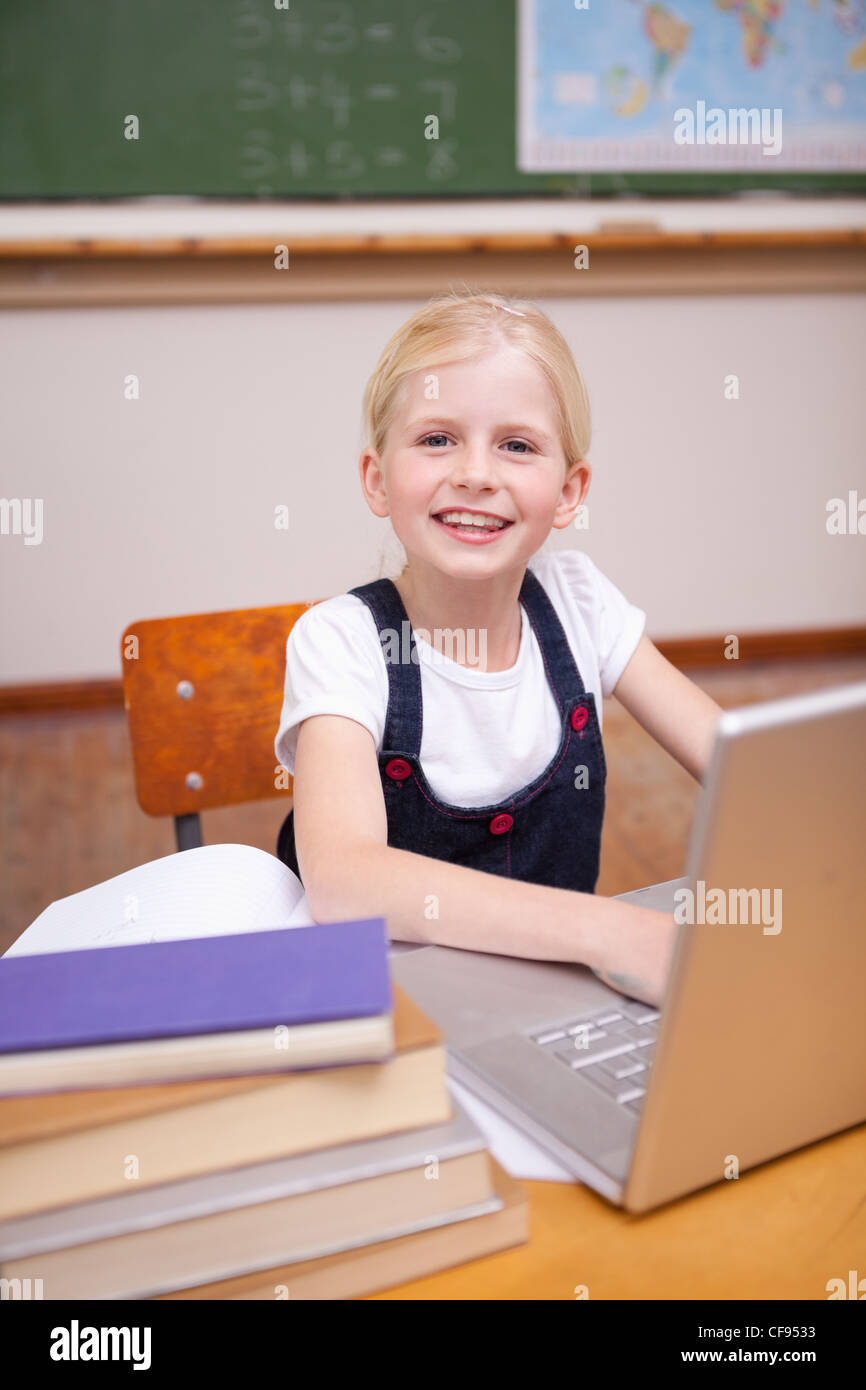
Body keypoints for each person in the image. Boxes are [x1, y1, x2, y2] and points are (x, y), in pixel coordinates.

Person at [274, 291, 723, 1006]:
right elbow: (344, 880)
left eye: (516, 445)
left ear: (569, 490)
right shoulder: (342, 640)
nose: (477, 474)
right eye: (437, 439)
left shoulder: (580, 603)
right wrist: (605, 930)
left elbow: (742, 764)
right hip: (390, 1008)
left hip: (553, 1002)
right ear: (377, 479)